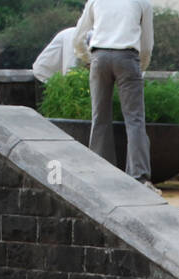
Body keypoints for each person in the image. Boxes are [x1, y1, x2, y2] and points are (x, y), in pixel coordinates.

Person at [73, 0, 155, 185]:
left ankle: (100, 174)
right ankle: (139, 176)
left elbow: (78, 38)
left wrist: (89, 58)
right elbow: (147, 45)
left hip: (99, 56)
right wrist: (140, 67)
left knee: (99, 118)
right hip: (127, 57)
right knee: (134, 120)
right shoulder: (142, 3)